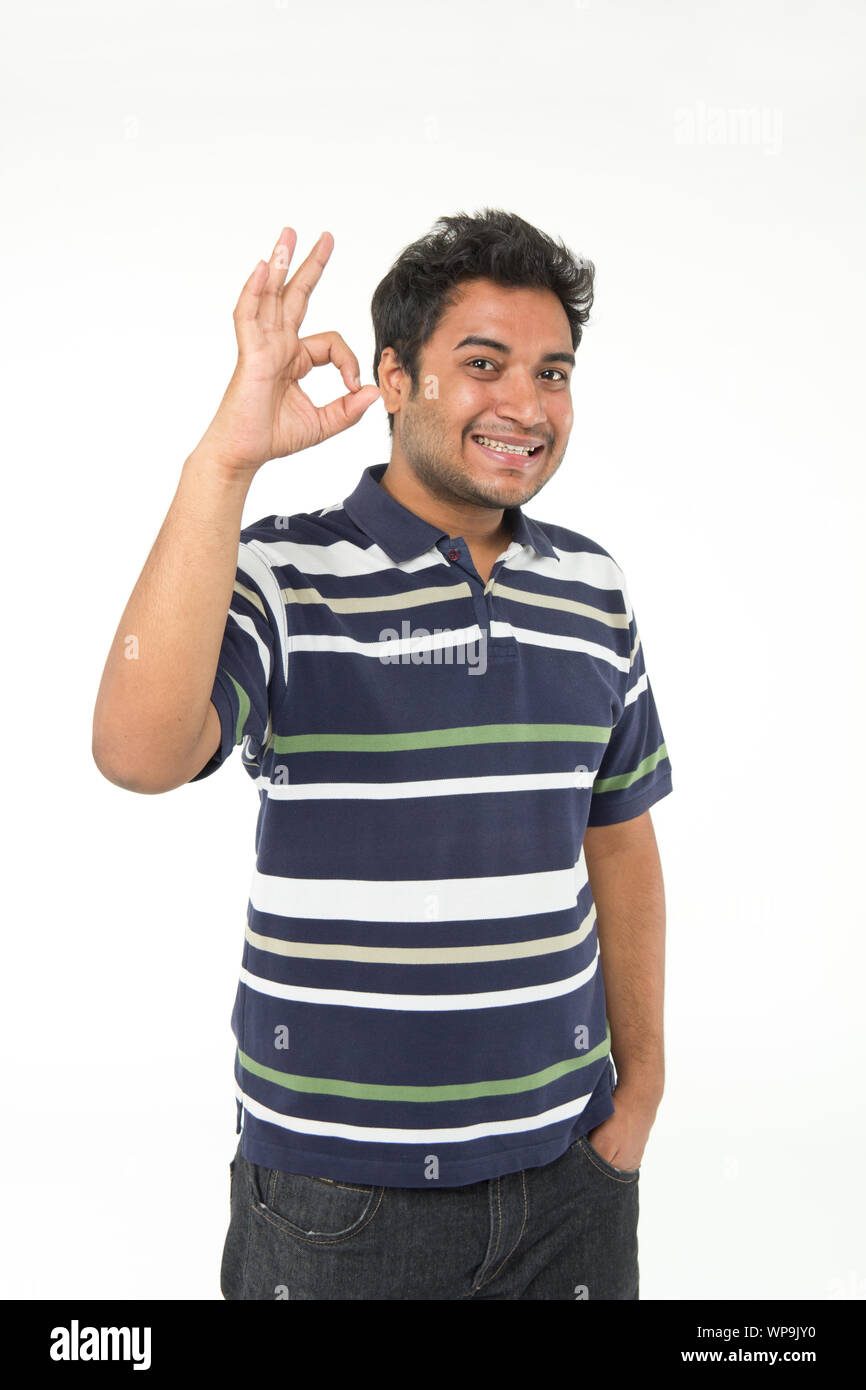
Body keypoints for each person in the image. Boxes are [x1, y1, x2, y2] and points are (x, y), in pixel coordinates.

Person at [92, 209, 673, 1300]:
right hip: (335, 1201)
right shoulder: (280, 571)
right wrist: (223, 462)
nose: (524, 404)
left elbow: (621, 841)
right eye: (483, 364)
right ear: (394, 380)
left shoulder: (592, 588)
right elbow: (136, 750)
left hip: (567, 1181)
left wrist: (634, 1094)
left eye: (551, 372)